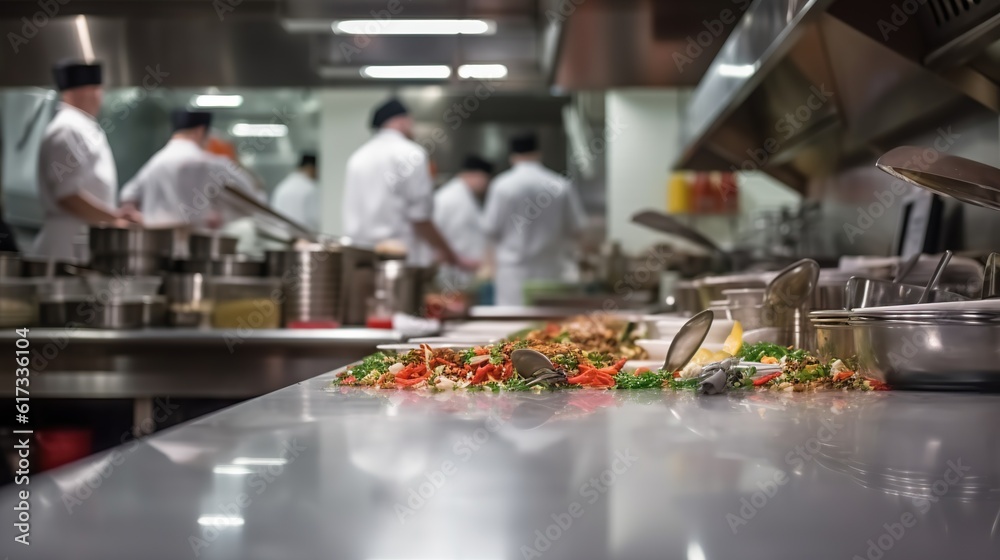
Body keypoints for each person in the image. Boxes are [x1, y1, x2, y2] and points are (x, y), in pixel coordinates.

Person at [32, 60, 140, 261]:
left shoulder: (82, 126)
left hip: (83, 240)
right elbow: (67, 195)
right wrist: (114, 218)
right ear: (81, 91)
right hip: (65, 247)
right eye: (96, 89)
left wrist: (114, 214)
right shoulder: (67, 129)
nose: (100, 96)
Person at [342, 99, 469, 268]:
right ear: (403, 121)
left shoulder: (357, 158)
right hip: (401, 262)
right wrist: (450, 254)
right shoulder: (412, 154)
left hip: (361, 259)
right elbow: (421, 218)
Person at [482, 132, 588, 306]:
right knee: (550, 327)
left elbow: (490, 229)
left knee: (511, 327)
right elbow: (578, 229)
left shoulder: (501, 186)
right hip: (553, 272)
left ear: (513, 157)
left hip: (513, 274)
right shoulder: (560, 184)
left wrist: (488, 267)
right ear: (538, 154)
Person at [120, 109, 258, 229]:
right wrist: (222, 216)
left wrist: (149, 218)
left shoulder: (154, 164)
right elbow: (251, 199)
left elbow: (127, 198)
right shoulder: (212, 164)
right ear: (200, 131)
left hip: (156, 247)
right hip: (198, 249)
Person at [433, 155, 494, 289]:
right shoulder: (447, 198)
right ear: (475, 175)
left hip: (468, 274)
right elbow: (433, 236)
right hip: (452, 273)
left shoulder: (467, 197)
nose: (486, 184)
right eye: (486, 179)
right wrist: (456, 260)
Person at [271, 153, 319, 230]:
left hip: (282, 236)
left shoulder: (282, 187)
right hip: (305, 238)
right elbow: (315, 219)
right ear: (310, 168)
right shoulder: (310, 188)